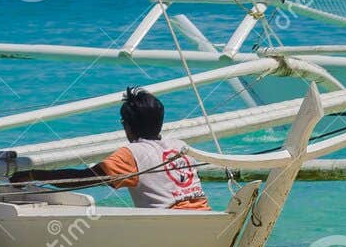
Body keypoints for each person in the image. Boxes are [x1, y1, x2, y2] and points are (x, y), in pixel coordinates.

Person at [13, 87, 210, 211]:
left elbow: (81, 179)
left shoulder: (132, 154)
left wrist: (32, 175)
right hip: (206, 218)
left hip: (170, 227)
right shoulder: (180, 146)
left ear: (126, 126)